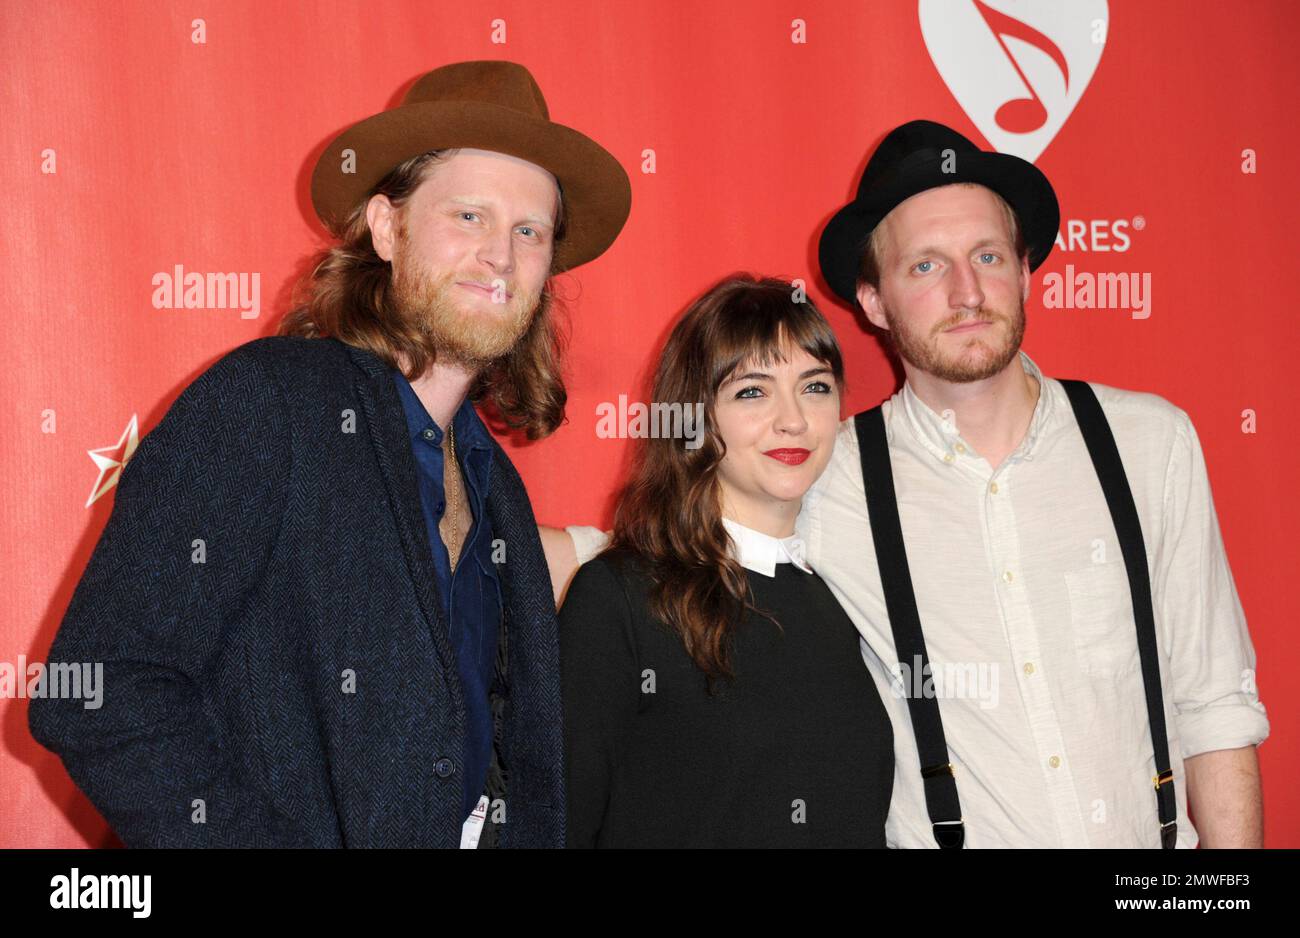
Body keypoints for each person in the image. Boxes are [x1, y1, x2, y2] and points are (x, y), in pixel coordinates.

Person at [29, 60, 631, 848]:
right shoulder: (269, 404)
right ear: (386, 228)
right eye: (469, 217)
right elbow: (96, 690)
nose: (501, 256)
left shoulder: (499, 491)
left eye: (530, 231)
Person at [807, 119, 1268, 847]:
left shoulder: (1151, 443)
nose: (966, 292)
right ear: (873, 302)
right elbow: (678, 557)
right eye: (926, 266)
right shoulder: (824, 481)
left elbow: (1214, 702)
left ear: (1024, 273)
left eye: (986, 255)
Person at [560, 275, 894, 848]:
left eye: (814, 387)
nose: (793, 419)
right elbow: (559, 819)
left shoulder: (852, 596)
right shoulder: (620, 597)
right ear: (695, 417)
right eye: (752, 392)